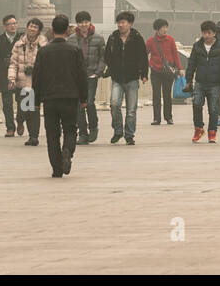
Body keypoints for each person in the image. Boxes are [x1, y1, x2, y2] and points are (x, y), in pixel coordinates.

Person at [31, 14, 87, 178]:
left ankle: (56, 168)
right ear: (68, 31)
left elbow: (37, 76)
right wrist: (84, 98)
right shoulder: (74, 50)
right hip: (70, 97)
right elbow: (82, 75)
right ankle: (67, 151)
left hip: (50, 98)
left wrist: (36, 100)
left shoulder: (44, 51)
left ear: (52, 30)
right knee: (70, 129)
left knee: (52, 133)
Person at [103, 11, 148, 145]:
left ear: (130, 24)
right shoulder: (113, 38)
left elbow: (143, 57)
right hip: (117, 78)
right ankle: (118, 131)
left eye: (123, 22)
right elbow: (107, 56)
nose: (121, 25)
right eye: (119, 22)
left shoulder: (137, 38)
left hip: (132, 78)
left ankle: (129, 135)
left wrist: (144, 74)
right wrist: (110, 68)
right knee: (114, 104)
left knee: (131, 110)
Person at [186, 21, 220, 143]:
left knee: (213, 109)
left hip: (215, 83)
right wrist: (188, 80)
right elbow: (191, 64)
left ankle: (212, 132)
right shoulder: (197, 46)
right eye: (204, 33)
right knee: (196, 105)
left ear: (214, 33)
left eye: (209, 33)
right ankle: (199, 129)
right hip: (200, 82)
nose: (206, 35)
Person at [9, 19, 46, 146]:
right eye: (30, 26)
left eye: (35, 27)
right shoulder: (19, 44)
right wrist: (12, 79)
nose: (32, 29)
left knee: (34, 110)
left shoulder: (43, 45)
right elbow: (13, 64)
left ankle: (33, 136)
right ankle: (22, 124)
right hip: (23, 82)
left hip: (37, 83)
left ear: (39, 30)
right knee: (24, 109)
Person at [73, 11, 105, 143]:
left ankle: (93, 127)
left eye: (86, 21)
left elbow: (103, 57)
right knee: (79, 105)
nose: (83, 24)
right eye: (81, 22)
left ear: (90, 22)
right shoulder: (71, 39)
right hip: (77, 78)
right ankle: (83, 133)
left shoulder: (98, 38)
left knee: (89, 103)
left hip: (92, 76)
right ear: (77, 24)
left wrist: (98, 72)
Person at [146, 18, 181, 127]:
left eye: (166, 27)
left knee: (167, 95)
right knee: (156, 95)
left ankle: (168, 117)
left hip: (168, 72)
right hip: (156, 71)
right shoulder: (150, 41)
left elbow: (175, 55)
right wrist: (150, 64)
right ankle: (156, 118)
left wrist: (179, 69)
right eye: (163, 28)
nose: (165, 30)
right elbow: (143, 55)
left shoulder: (170, 40)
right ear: (157, 29)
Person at [0, 15, 22, 137]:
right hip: (5, 75)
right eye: (10, 24)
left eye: (14, 23)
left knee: (23, 102)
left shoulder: (22, 38)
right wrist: (0, 69)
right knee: (7, 103)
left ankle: (21, 121)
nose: (13, 26)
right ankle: (10, 127)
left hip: (21, 75)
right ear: (5, 26)